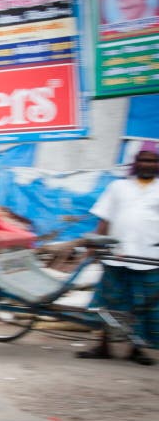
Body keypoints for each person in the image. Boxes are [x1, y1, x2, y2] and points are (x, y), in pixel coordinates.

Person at [77, 141, 159, 365]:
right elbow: (105, 217)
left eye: (152, 161)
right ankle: (103, 345)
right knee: (108, 302)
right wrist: (94, 244)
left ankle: (137, 348)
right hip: (117, 254)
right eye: (143, 160)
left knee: (142, 305)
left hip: (149, 256)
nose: (148, 164)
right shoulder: (119, 187)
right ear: (136, 162)